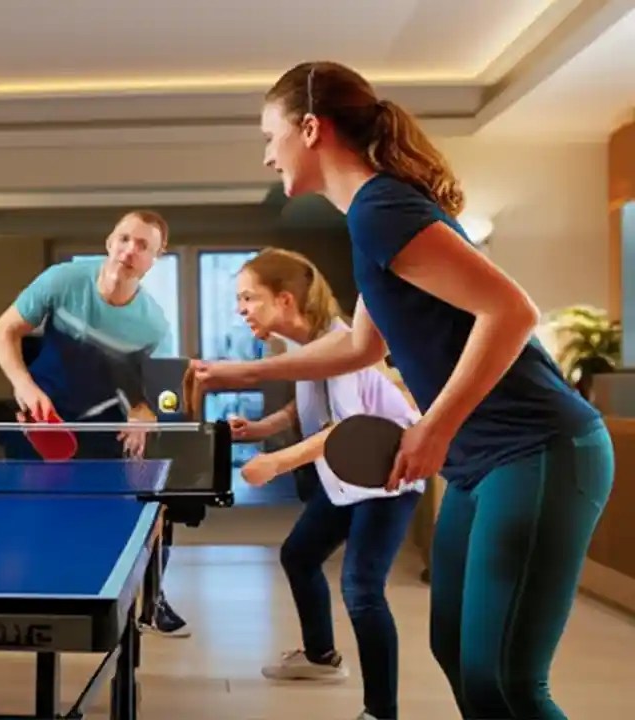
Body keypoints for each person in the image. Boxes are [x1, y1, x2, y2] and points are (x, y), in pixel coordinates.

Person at [192, 61, 610, 720]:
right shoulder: (369, 217)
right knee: (454, 651)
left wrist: (434, 426)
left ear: (310, 128)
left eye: (270, 136)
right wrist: (240, 373)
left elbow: (512, 313)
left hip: (541, 449)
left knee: (504, 683)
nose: (268, 155)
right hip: (483, 465)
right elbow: (364, 344)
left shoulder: (381, 208)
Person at [206, 247, 424, 720]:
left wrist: (277, 462)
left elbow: (346, 429)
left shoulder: (344, 344)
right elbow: (307, 406)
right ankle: (321, 657)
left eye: (249, 298)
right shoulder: (308, 347)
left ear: (284, 300)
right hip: (347, 477)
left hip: (385, 479)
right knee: (299, 555)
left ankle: (381, 712)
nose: (240, 309)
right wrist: (262, 429)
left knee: (362, 590)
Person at [0, 209, 189, 637]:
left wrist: (145, 414)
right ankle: (41, 593)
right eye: (124, 239)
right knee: (38, 513)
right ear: (109, 241)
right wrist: (22, 384)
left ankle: (151, 600)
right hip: (41, 419)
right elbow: (4, 330)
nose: (129, 251)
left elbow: (166, 395)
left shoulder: (155, 324)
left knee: (145, 514)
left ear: (155, 259)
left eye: (142, 246)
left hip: (102, 429)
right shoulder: (63, 281)